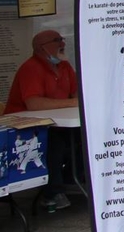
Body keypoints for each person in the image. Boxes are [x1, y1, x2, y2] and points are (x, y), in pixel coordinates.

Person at [4, 30, 78, 210]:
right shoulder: (31, 68)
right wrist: (72, 103)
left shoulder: (64, 66)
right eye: (56, 40)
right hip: (24, 126)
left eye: (62, 39)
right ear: (41, 48)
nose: (62, 44)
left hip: (57, 121)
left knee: (83, 137)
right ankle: (52, 192)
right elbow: (34, 103)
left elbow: (77, 93)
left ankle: (71, 180)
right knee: (54, 142)